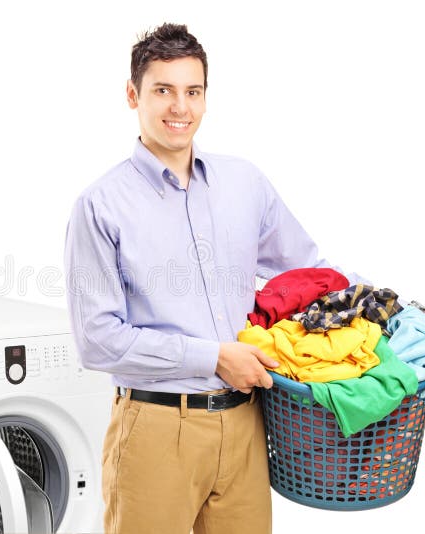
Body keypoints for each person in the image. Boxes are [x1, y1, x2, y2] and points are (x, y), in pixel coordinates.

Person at [64, 23, 365, 534]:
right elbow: (97, 341)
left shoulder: (244, 183)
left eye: (192, 91)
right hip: (156, 428)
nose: (179, 107)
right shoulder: (101, 205)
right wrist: (214, 357)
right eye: (163, 90)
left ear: (205, 97)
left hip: (248, 423)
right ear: (133, 94)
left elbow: (309, 274)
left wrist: (384, 305)